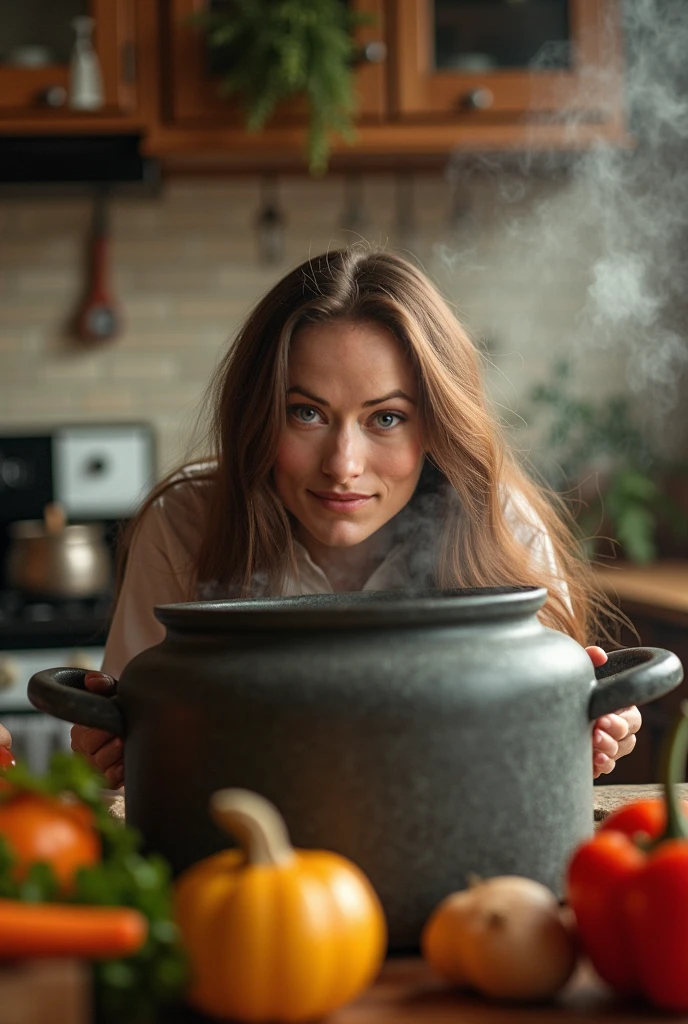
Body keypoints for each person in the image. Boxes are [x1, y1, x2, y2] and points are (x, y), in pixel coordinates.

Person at [71, 246, 641, 789]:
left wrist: (585, 734)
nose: (343, 465)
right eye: (307, 413)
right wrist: (112, 748)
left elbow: (542, 749)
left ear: (436, 429)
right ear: (257, 416)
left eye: (386, 419)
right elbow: (135, 726)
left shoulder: (497, 522)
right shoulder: (185, 523)